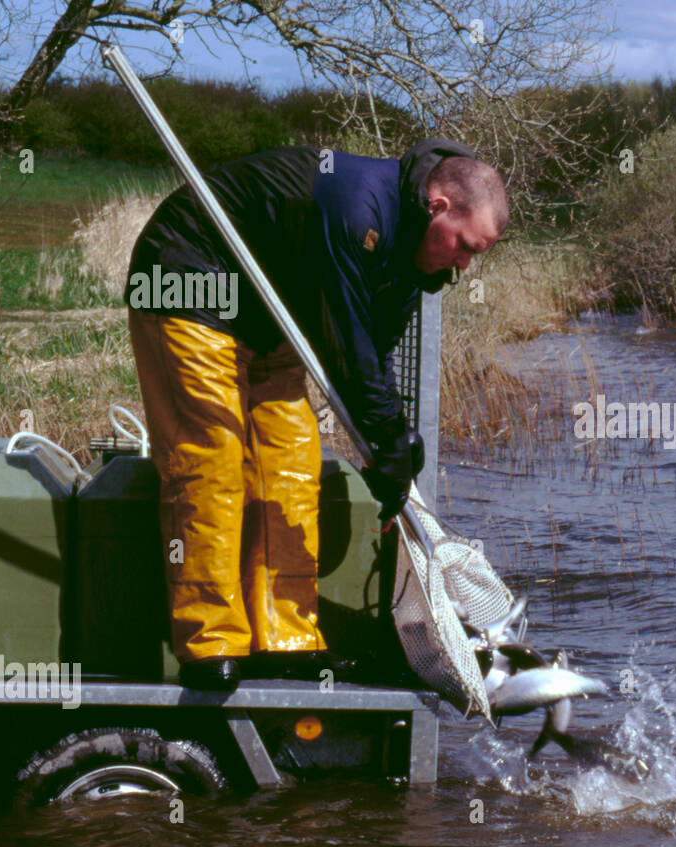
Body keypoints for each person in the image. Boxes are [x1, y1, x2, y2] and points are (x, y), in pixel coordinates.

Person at [126, 139, 507, 691]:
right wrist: (389, 437)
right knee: (214, 460)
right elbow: (348, 347)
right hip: (188, 275)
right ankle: (212, 640)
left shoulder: (412, 250)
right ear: (439, 205)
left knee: (293, 462)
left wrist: (391, 442)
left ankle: (285, 635)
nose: (465, 265)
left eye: (476, 256)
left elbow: (375, 353)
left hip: (268, 310)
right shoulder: (358, 207)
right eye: (465, 247)